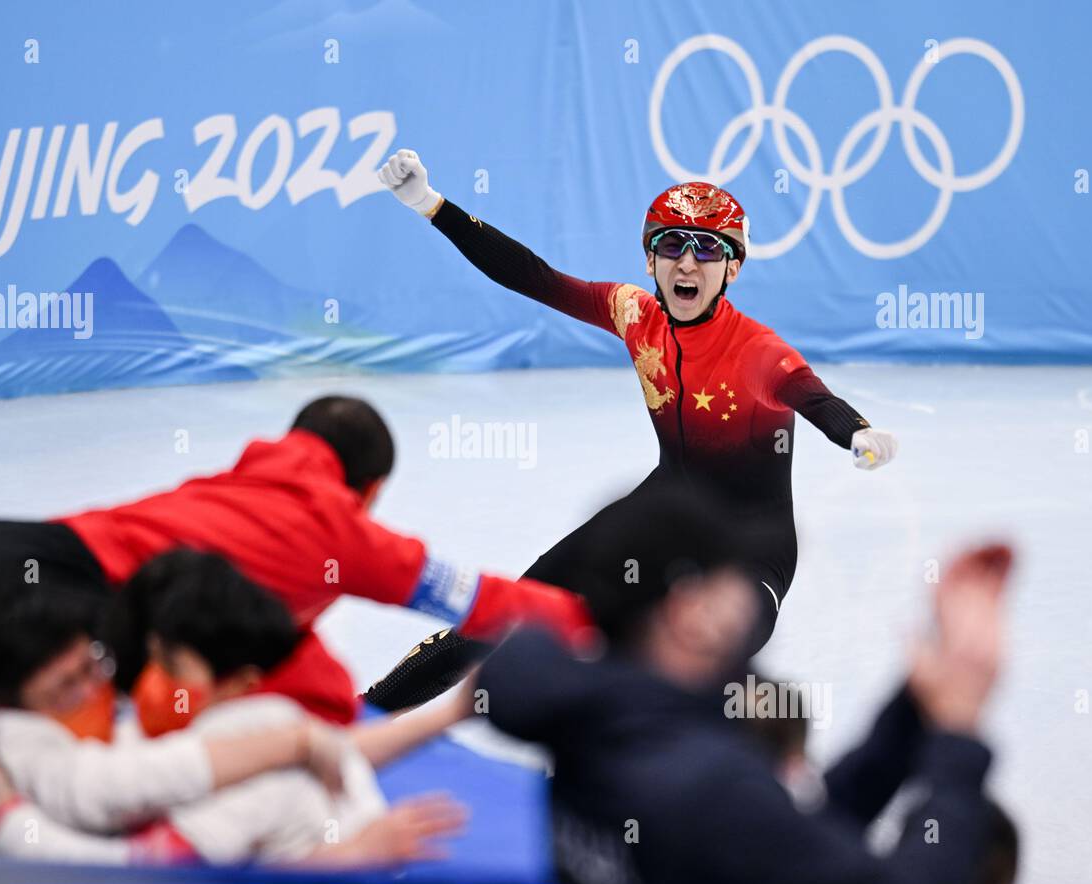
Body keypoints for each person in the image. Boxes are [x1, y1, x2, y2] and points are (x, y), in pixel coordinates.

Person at [367, 148, 899, 709]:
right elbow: (534, 277)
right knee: (503, 614)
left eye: (707, 251)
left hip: (751, 546)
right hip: (661, 516)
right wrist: (430, 205)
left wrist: (856, 432)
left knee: (697, 673)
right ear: (650, 260)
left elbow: (811, 394)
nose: (687, 265)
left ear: (732, 269)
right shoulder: (632, 313)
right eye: (671, 246)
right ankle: (362, 714)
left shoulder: (757, 350)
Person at [473, 481, 1011, 884]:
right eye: (736, 576)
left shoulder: (597, 719)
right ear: (691, 611)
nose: (750, 596)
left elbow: (798, 835)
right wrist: (958, 741)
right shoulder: (707, 786)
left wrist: (914, 705)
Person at [0, 395, 590, 724]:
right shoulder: (341, 532)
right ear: (368, 490)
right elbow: (486, 601)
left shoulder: (238, 480)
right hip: (63, 597)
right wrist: (605, 618)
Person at [0, 551, 471, 868]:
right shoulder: (247, 745)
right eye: (70, 682)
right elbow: (146, 864)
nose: (99, 687)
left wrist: (447, 716)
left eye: (93, 668)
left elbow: (335, 750)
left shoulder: (245, 740)